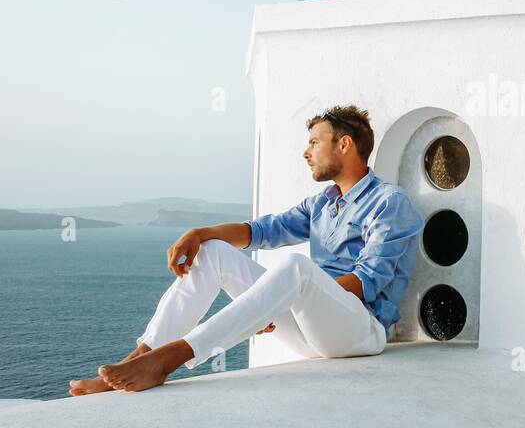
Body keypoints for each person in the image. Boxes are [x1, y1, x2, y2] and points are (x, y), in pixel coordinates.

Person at [69, 105, 423, 395]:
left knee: (296, 268)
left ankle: (170, 359)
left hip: (359, 331)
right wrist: (201, 233)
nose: (306, 151)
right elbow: (262, 231)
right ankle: (137, 359)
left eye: (314, 142)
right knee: (213, 252)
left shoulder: (389, 203)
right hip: (310, 329)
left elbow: (367, 283)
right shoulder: (322, 205)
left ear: (344, 145)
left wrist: (277, 298)